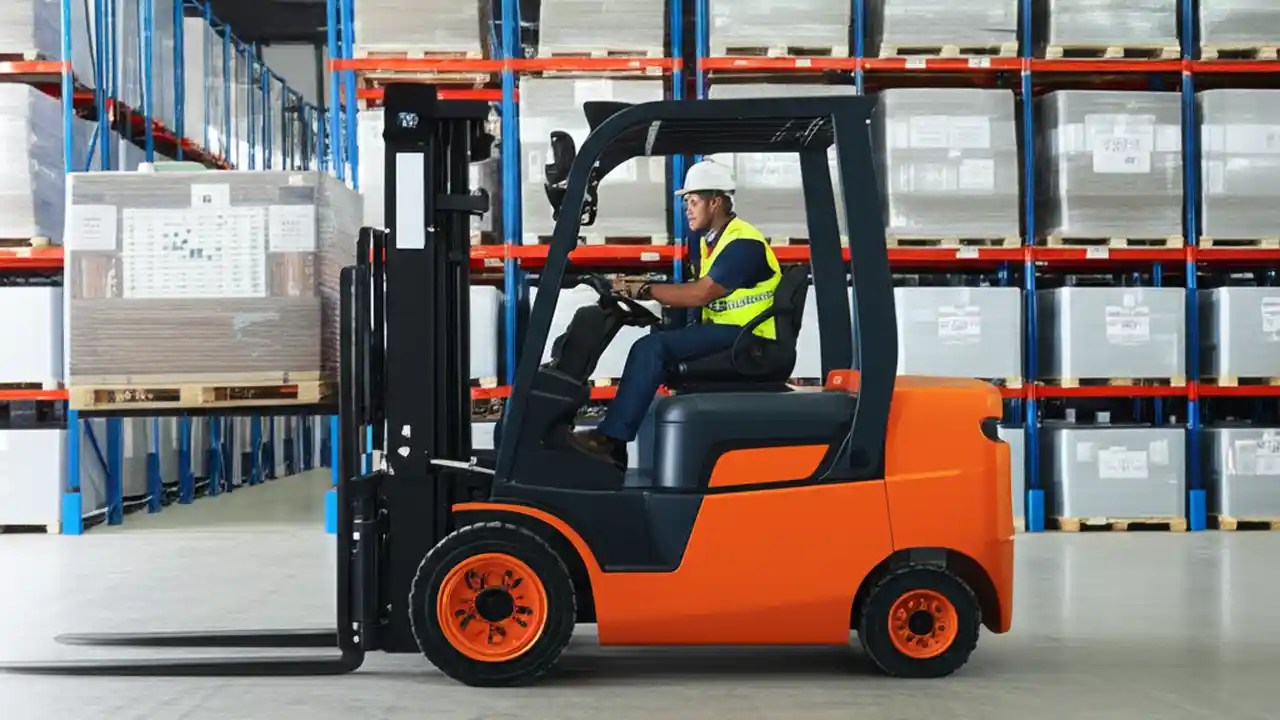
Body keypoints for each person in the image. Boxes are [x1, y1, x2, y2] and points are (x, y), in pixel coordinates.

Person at [569, 159, 782, 468]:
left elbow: (701, 293)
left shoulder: (743, 243)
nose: (688, 209)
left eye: (693, 201)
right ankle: (617, 442)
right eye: (686, 203)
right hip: (729, 331)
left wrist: (644, 290)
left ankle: (611, 440)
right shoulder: (711, 241)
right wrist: (641, 297)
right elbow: (694, 293)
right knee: (659, 336)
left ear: (716, 201)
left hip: (749, 337)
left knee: (650, 348)